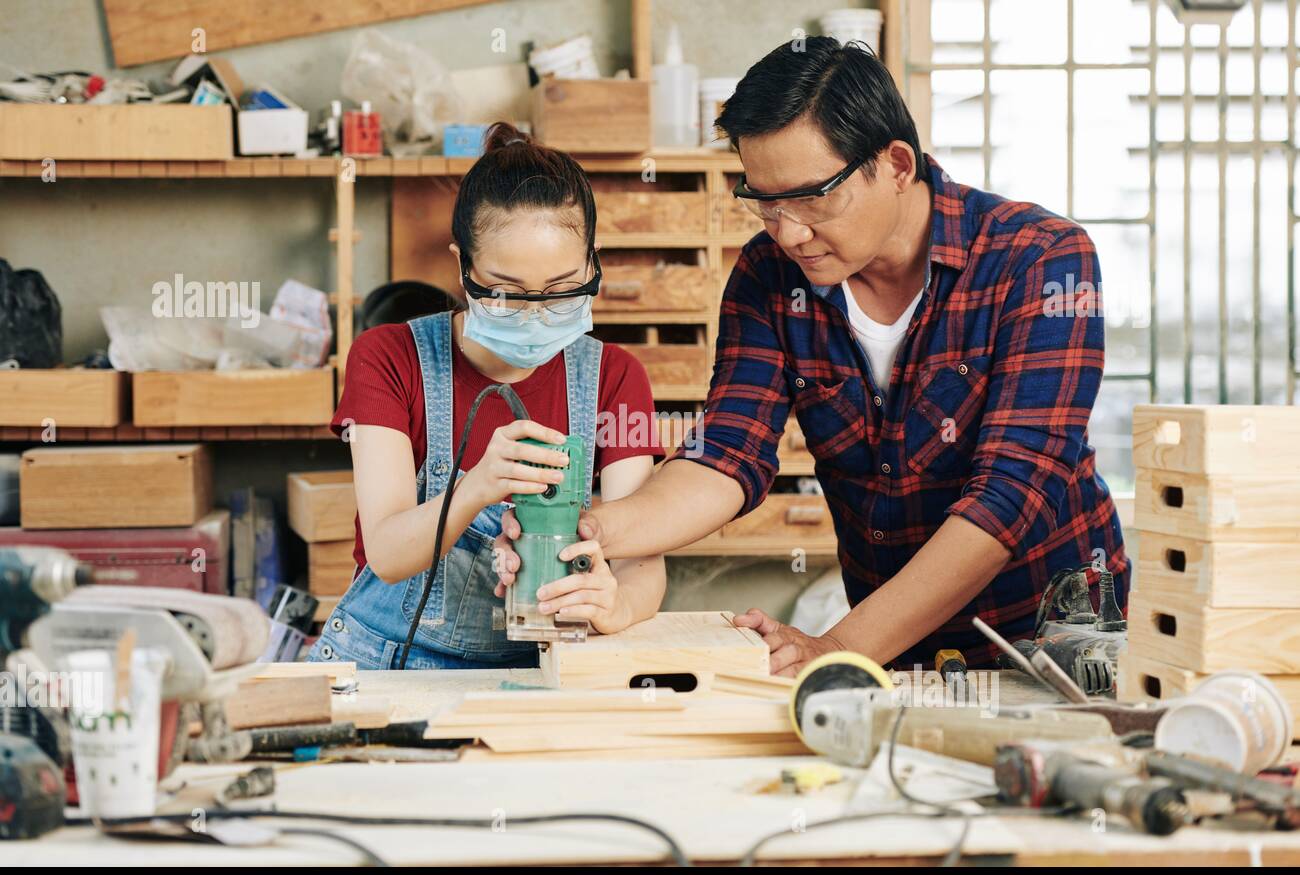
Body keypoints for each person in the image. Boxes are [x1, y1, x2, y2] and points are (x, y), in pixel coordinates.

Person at [495, 38, 1128, 678]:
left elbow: (1011, 495)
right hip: (892, 646)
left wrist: (838, 647)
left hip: (1051, 641)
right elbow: (727, 454)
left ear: (898, 165)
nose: (790, 231)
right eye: (766, 203)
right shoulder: (770, 275)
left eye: (814, 198)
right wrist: (595, 531)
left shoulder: (1042, 259)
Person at [310, 122, 666, 670]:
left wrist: (614, 604)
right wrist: (477, 486)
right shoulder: (388, 357)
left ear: (593, 262)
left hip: (546, 663)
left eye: (562, 289)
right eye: (504, 292)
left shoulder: (616, 378)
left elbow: (643, 564)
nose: (535, 314)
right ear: (462, 266)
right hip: (390, 663)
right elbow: (387, 553)